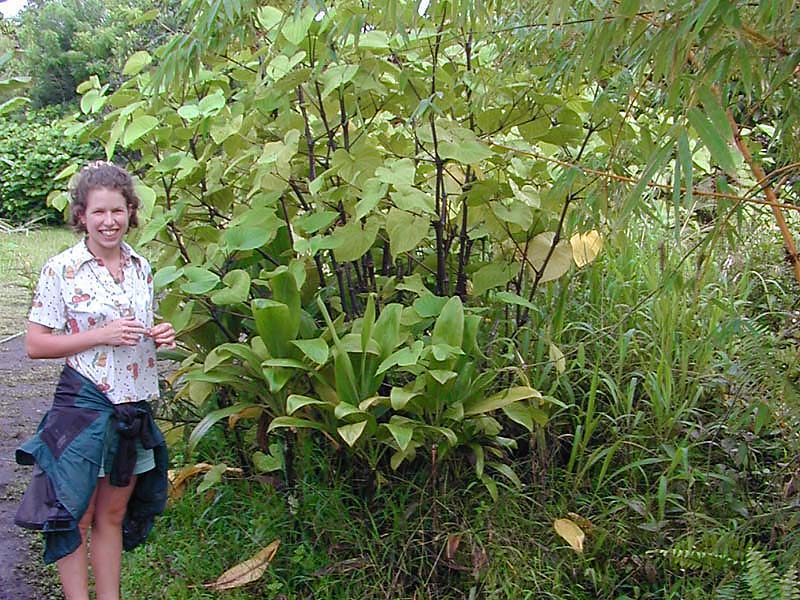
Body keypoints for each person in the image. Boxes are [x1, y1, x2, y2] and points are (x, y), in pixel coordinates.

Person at [14, 161, 176, 600]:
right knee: (77, 514)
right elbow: (35, 344)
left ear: (131, 212)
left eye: (118, 211)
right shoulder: (62, 269)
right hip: (84, 407)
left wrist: (159, 333)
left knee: (112, 516)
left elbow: (136, 329)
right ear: (81, 215)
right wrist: (100, 335)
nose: (109, 221)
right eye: (99, 212)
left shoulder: (140, 267)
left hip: (132, 407)